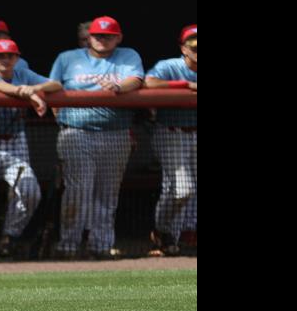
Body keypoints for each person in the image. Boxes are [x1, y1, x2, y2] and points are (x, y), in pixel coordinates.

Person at [48, 16, 143, 259]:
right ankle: (69, 245)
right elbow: (53, 89)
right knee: (78, 191)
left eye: (108, 35)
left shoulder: (128, 55)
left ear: (118, 37)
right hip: (77, 132)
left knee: (107, 193)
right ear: (89, 37)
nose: (102, 39)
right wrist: (63, 124)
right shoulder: (67, 58)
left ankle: (100, 246)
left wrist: (119, 88)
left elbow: (136, 79)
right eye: (98, 35)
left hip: (115, 132)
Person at [0, 39, 61, 258]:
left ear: (17, 58)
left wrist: (35, 88)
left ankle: (8, 235)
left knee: (30, 191)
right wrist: (25, 93)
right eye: (0, 56)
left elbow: (56, 85)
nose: (5, 59)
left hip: (15, 140)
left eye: (10, 55)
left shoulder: (24, 73)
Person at [144, 24, 197, 256]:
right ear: (183, 48)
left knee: (190, 193)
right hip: (172, 131)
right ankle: (163, 230)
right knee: (181, 189)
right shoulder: (170, 66)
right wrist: (185, 85)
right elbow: (149, 83)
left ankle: (174, 240)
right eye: (193, 45)